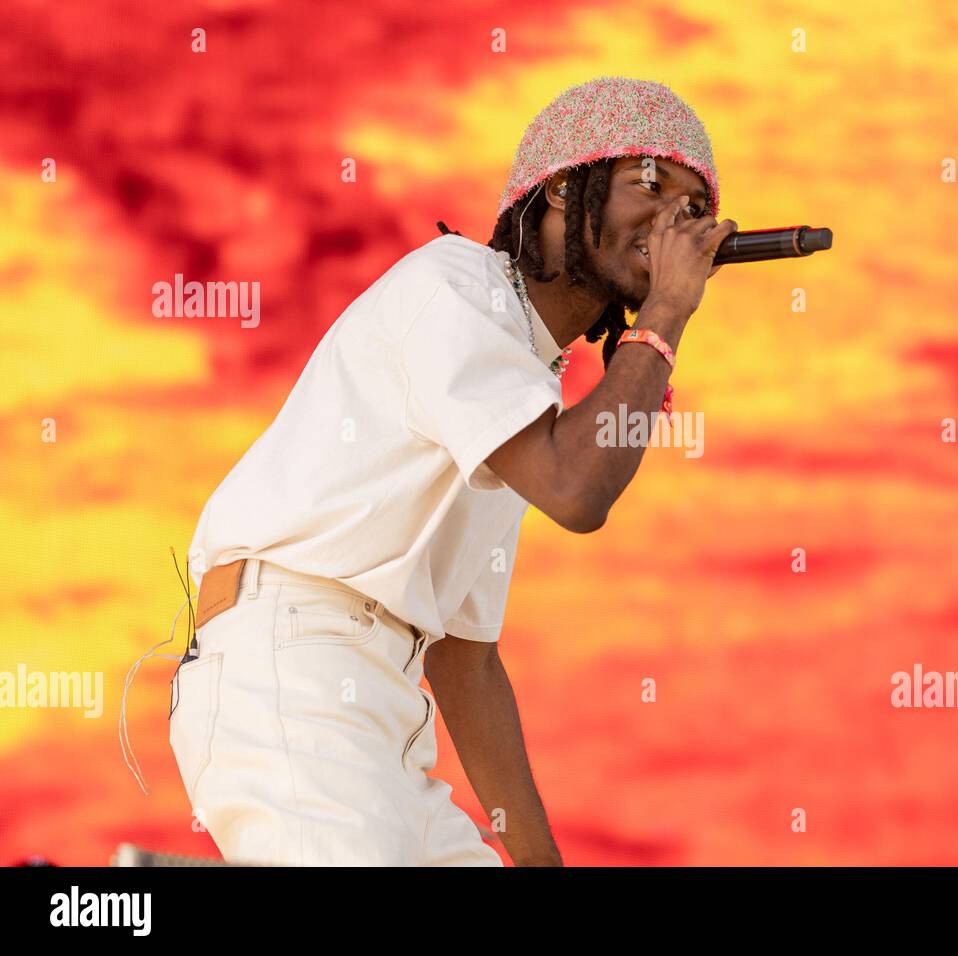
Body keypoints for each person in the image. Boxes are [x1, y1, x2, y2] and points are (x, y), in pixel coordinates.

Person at [163, 75, 737, 866]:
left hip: (381, 704)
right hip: (292, 669)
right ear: (565, 192)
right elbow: (578, 492)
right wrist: (668, 313)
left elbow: (465, 659)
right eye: (652, 183)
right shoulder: (454, 288)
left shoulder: (524, 389)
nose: (678, 216)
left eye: (695, 206)